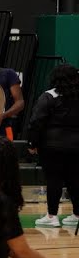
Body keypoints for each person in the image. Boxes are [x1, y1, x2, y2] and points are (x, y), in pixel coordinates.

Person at [28, 64, 79, 228]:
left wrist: (32, 142)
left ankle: (52, 216)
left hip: (52, 146)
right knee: (75, 180)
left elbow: (37, 121)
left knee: (54, 180)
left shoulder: (49, 96)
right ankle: (77, 215)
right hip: (76, 146)